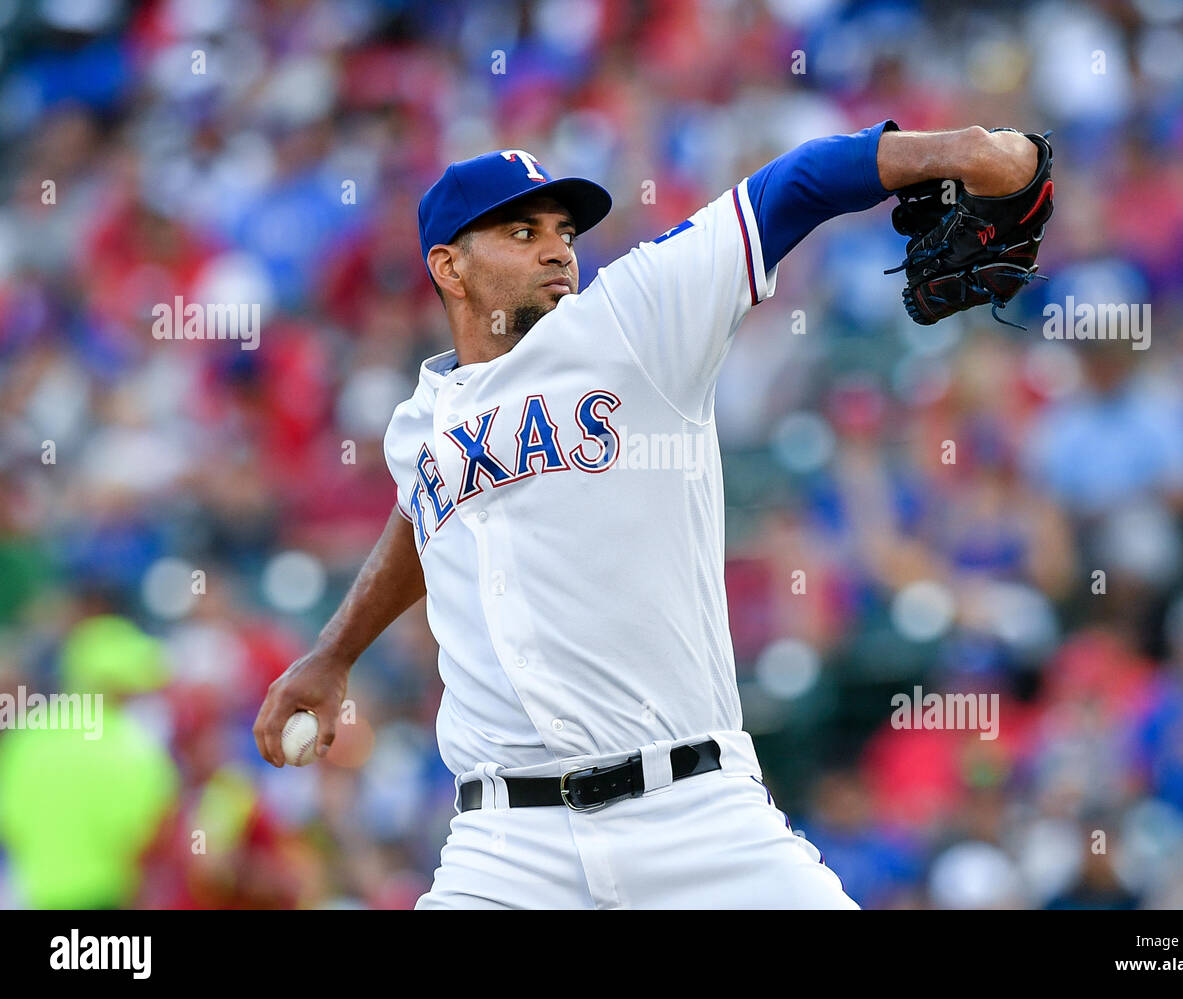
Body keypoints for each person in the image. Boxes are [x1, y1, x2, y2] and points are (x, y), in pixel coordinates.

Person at [254, 122, 1041, 909]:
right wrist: (332, 654)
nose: (558, 249)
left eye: (563, 231)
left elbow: (794, 186)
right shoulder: (420, 424)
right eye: (522, 232)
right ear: (448, 267)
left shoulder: (633, 321)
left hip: (694, 813)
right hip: (506, 845)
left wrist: (974, 150)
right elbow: (426, 516)